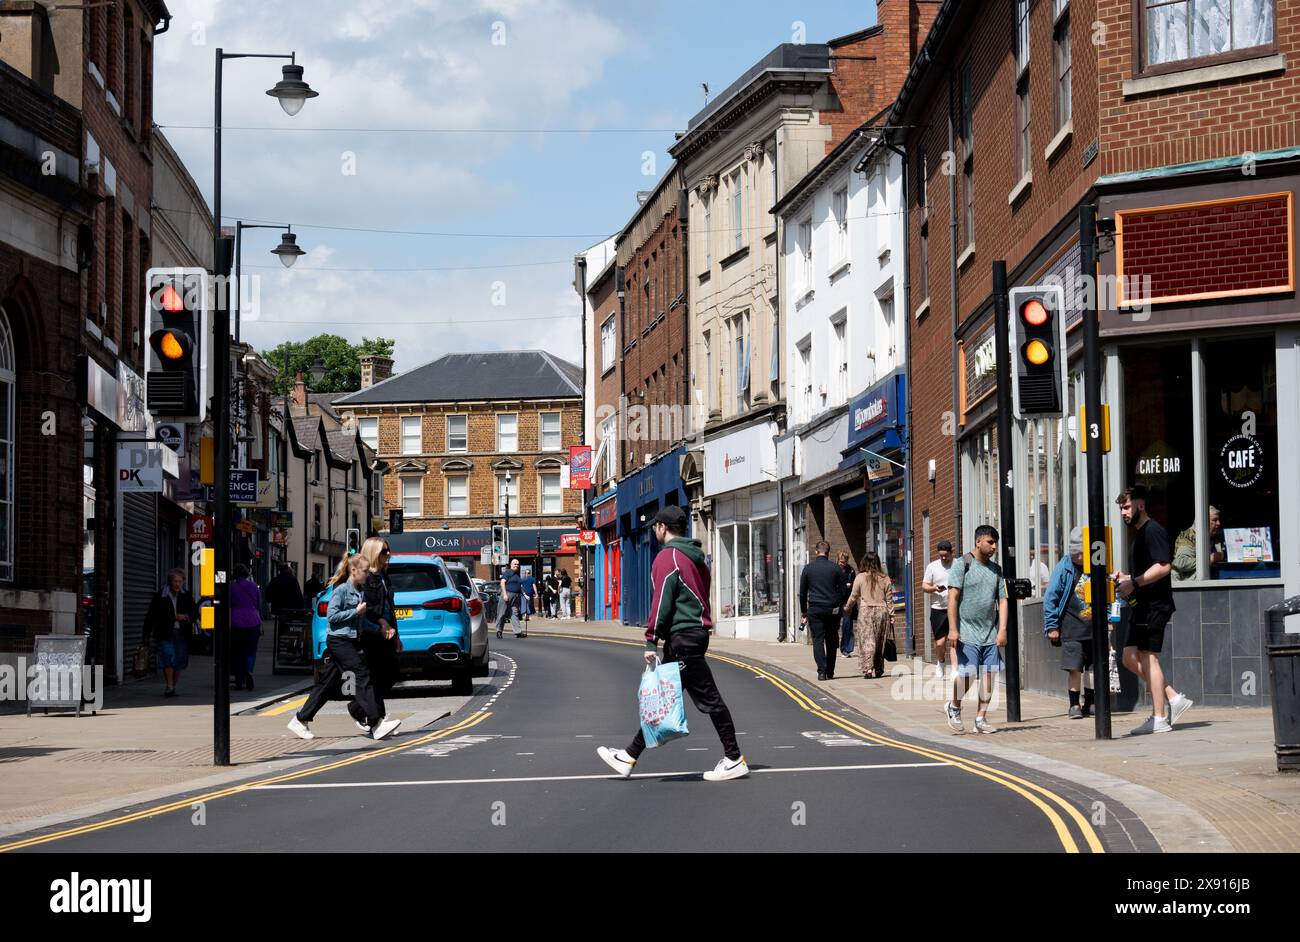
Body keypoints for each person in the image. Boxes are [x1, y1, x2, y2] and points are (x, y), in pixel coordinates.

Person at [596, 505, 748, 782]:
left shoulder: (669, 557)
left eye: (655, 526)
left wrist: (651, 639)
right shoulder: (696, 557)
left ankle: (734, 758)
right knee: (663, 698)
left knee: (709, 699)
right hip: (693, 634)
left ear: (663, 527)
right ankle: (628, 756)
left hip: (683, 637)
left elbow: (662, 600)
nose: (654, 530)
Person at [289, 554, 401, 742]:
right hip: (338, 640)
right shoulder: (341, 591)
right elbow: (332, 617)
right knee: (362, 674)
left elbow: (362, 621)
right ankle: (376, 723)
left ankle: (300, 720)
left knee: (327, 684)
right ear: (354, 571)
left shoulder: (360, 591)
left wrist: (379, 629)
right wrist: (354, 611)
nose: (367, 574)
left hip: (349, 640)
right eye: (364, 571)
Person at [1114, 485, 1194, 735]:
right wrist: (1126, 578)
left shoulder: (1153, 531)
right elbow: (1148, 570)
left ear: (1140, 505)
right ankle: (1172, 696)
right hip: (1142, 605)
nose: (1124, 513)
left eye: (1127, 507)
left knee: (1149, 656)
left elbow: (1164, 567)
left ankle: (1159, 718)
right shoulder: (1139, 535)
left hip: (1154, 605)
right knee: (1128, 657)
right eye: (1121, 509)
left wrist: (1134, 582)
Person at [944, 525, 1008, 734]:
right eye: (990, 542)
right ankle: (954, 706)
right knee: (968, 674)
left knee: (990, 675)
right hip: (967, 631)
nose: (994, 547)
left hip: (989, 631)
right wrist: (953, 629)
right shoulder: (962, 565)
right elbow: (952, 599)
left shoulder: (996, 570)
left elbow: (1003, 601)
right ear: (978, 541)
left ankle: (981, 718)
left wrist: (1002, 630)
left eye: (995, 543)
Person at [1043, 528, 1093, 719]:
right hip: (1072, 626)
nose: (1077, 557)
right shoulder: (1064, 567)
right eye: (1075, 553)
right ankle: (1074, 705)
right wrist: (1052, 626)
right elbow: (1050, 597)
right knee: (1074, 668)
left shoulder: (1096, 564)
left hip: (1093, 625)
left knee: (1093, 669)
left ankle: (1091, 702)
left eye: (1080, 553)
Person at [358, 538, 401, 731]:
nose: (388, 554)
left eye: (389, 550)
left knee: (391, 674)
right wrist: (380, 623)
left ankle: (358, 708)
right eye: (384, 551)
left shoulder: (384, 576)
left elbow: (390, 608)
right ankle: (378, 720)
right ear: (374, 552)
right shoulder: (366, 578)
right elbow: (366, 609)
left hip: (387, 633)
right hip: (372, 633)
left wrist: (397, 635)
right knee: (376, 676)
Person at [144, 568, 199, 698]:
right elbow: (151, 616)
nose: (177, 584)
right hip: (165, 632)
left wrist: (185, 617)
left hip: (182, 633)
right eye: (175, 581)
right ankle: (169, 685)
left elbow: (195, 613)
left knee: (179, 661)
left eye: (180, 581)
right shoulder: (160, 596)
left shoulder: (186, 596)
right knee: (167, 657)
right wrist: (145, 635)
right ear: (170, 582)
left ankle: (173, 686)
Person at [798, 541, 844, 681]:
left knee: (818, 640)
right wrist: (839, 606)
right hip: (832, 609)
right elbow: (842, 591)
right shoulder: (836, 568)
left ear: (816, 551)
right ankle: (830, 671)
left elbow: (802, 593)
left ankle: (822, 672)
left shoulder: (808, 569)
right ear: (828, 552)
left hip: (815, 608)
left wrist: (804, 612)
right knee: (831, 640)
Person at [846, 551, 893, 678]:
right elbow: (889, 599)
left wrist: (847, 607)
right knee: (879, 641)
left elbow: (853, 596)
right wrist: (892, 616)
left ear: (864, 563)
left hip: (866, 611)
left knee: (867, 641)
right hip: (882, 612)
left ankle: (868, 669)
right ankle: (878, 667)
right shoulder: (885, 578)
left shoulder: (860, 577)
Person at [922, 540, 955, 680]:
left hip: (954, 608)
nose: (943, 558)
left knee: (954, 640)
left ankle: (955, 670)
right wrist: (934, 588)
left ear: (951, 552)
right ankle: (940, 662)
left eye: (946, 555)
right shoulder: (932, 566)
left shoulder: (958, 564)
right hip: (938, 609)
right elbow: (924, 586)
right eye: (941, 556)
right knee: (940, 642)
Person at [229, 564, 263, 691]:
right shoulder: (253, 586)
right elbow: (259, 604)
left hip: (236, 621)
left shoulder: (231, 587)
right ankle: (248, 671)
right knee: (250, 650)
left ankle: (239, 678)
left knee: (237, 651)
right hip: (253, 621)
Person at [1172, 505, 1225, 581]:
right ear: (1203, 521)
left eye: (1218, 520)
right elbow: (1181, 562)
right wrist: (1210, 559)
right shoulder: (1188, 536)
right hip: (1187, 587)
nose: (1218, 523)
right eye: (1214, 520)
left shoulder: (1214, 536)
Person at [496, 558, 525, 638]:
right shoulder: (508, 572)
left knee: (514, 614)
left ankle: (518, 632)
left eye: (518, 564)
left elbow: (520, 586)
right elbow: (502, 582)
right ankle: (499, 631)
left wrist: (525, 594)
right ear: (511, 565)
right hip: (507, 594)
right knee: (502, 613)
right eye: (515, 564)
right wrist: (505, 594)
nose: (516, 565)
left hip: (516, 596)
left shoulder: (517, 574)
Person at [836, 551, 857, 658]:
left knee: (847, 625)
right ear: (837, 560)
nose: (842, 564)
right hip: (835, 601)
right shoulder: (834, 569)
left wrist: (851, 585)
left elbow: (856, 586)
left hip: (847, 601)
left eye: (844, 562)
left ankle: (846, 649)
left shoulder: (851, 571)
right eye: (841, 562)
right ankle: (834, 645)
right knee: (834, 625)